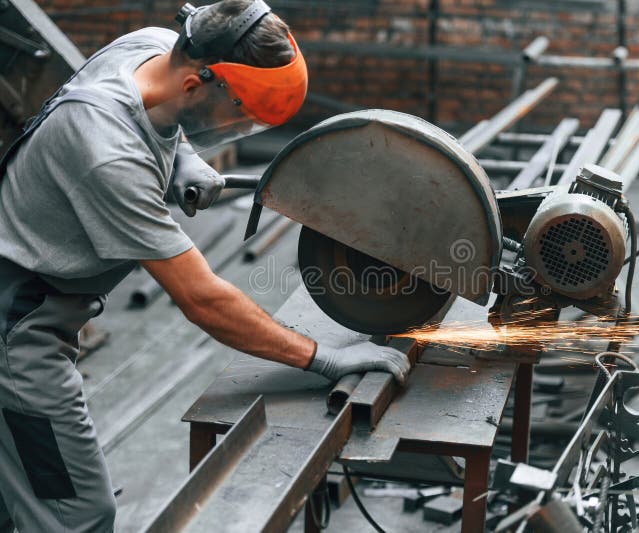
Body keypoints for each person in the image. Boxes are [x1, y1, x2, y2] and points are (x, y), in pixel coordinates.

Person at [0, 1, 410, 530]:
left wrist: (185, 158)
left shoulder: (153, 48)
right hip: (18, 331)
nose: (240, 128)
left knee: (20, 500)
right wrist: (325, 358)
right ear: (197, 84)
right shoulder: (108, 152)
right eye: (240, 116)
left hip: (36, 301)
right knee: (75, 513)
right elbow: (203, 299)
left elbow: (163, 121)